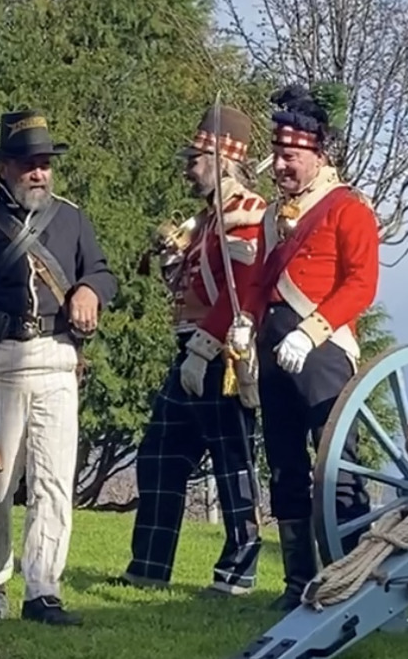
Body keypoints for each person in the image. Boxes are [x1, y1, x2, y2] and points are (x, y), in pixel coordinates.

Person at [0, 109, 118, 626]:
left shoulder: (72, 219)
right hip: (1, 364)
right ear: (4, 169)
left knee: (55, 482)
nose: (39, 173)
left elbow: (102, 273)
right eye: (27, 164)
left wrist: (88, 289)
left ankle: (44, 588)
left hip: (57, 360)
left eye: (44, 164)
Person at [117, 105, 266, 595]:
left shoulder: (246, 214)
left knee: (232, 465)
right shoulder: (203, 222)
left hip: (223, 354)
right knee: (159, 457)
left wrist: (205, 348)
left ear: (223, 159)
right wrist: (171, 263)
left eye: (196, 158)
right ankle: (149, 567)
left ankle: (237, 572)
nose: (188, 167)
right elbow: (189, 291)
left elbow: (241, 290)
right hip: (188, 350)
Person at [247, 83, 379, 611]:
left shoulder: (349, 209)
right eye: (278, 155)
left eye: (290, 156)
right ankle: (297, 581)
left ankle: (349, 579)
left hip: (322, 352)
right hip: (273, 351)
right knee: (283, 464)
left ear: (317, 155)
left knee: (336, 468)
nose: (280, 165)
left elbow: (361, 283)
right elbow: (260, 282)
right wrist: (245, 323)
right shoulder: (273, 216)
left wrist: (312, 329)